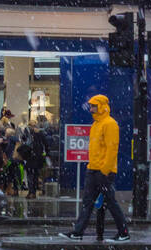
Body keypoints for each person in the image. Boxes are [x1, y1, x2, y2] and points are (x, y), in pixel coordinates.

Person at [61, 94, 129, 241]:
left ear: (101, 107)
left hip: (103, 171)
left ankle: (123, 232)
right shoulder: (96, 124)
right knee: (89, 202)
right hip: (94, 169)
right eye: (91, 105)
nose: (90, 108)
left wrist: (105, 170)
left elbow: (112, 149)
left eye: (93, 106)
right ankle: (78, 232)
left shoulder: (109, 124)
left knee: (109, 202)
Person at [20, 121, 48, 200]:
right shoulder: (29, 132)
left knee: (33, 175)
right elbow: (24, 140)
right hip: (31, 156)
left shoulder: (38, 134)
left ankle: (32, 192)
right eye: (31, 126)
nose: (32, 127)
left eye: (33, 126)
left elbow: (44, 144)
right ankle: (32, 191)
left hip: (34, 157)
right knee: (32, 175)